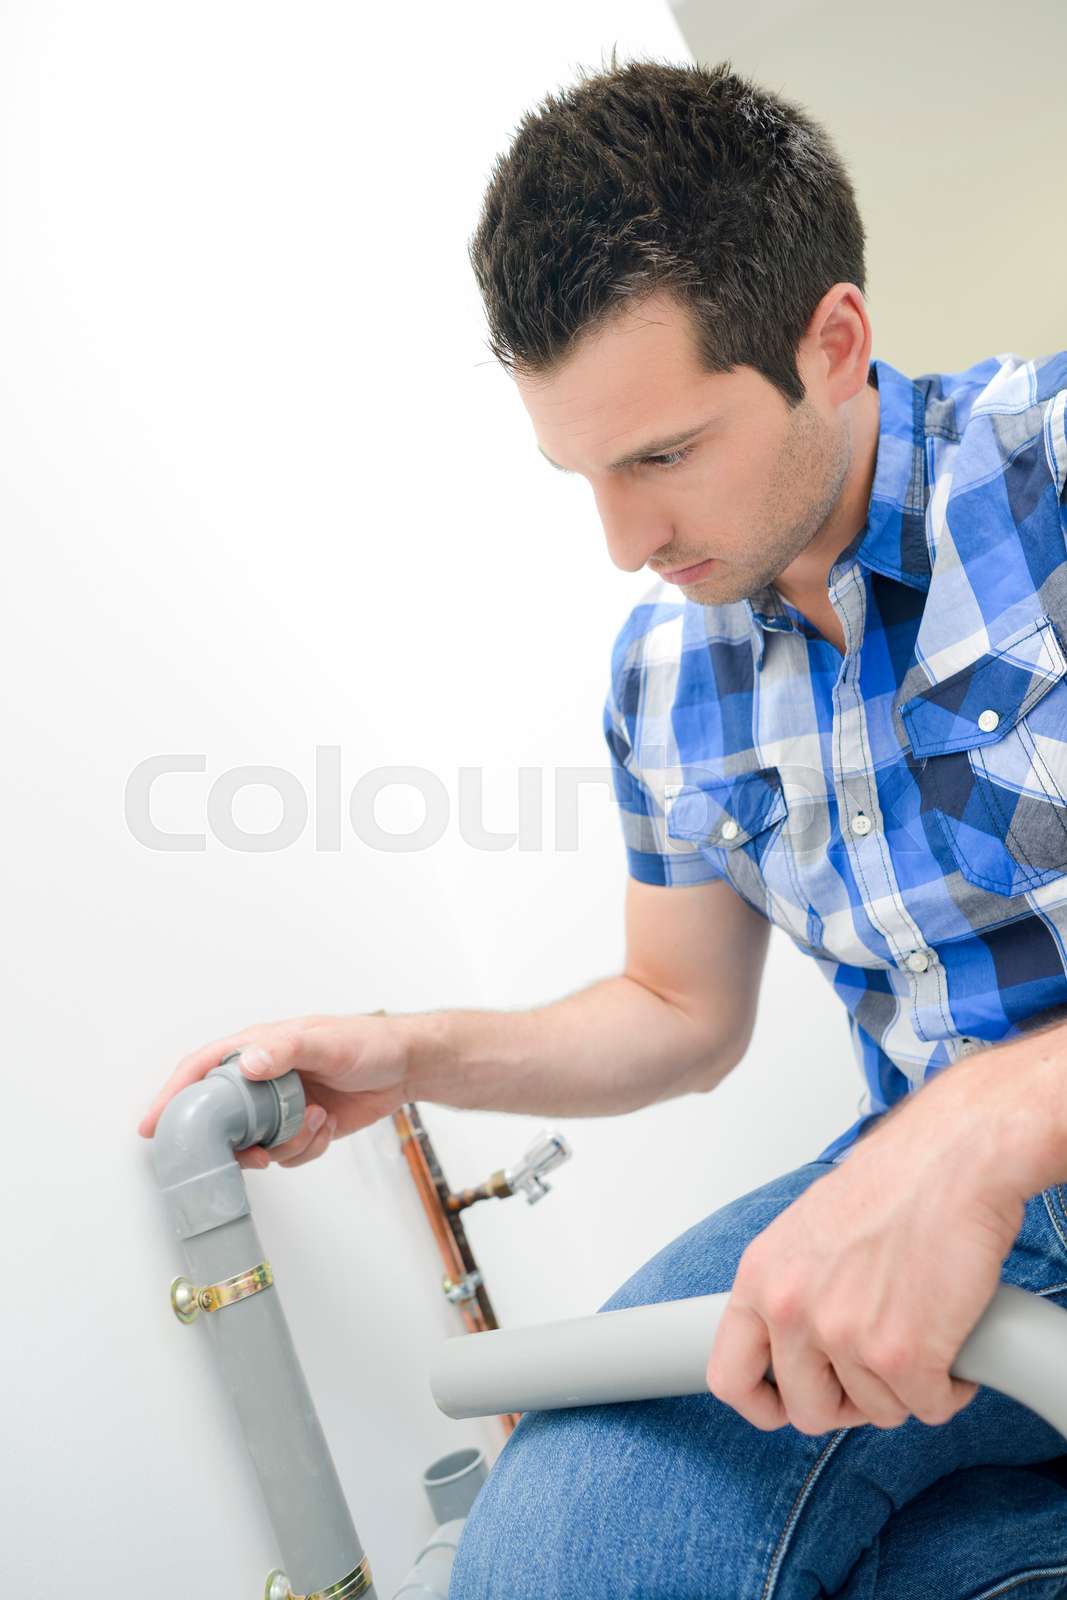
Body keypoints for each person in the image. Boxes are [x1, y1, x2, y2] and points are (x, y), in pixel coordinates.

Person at [136, 55, 1067, 1599]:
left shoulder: (1047, 463)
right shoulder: (666, 673)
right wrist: (411, 1052)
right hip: (942, 1202)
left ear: (833, 343)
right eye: (581, 474)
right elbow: (676, 1013)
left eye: (662, 456)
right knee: (560, 1563)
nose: (627, 542)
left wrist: (985, 1123)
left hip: (979, 1159)